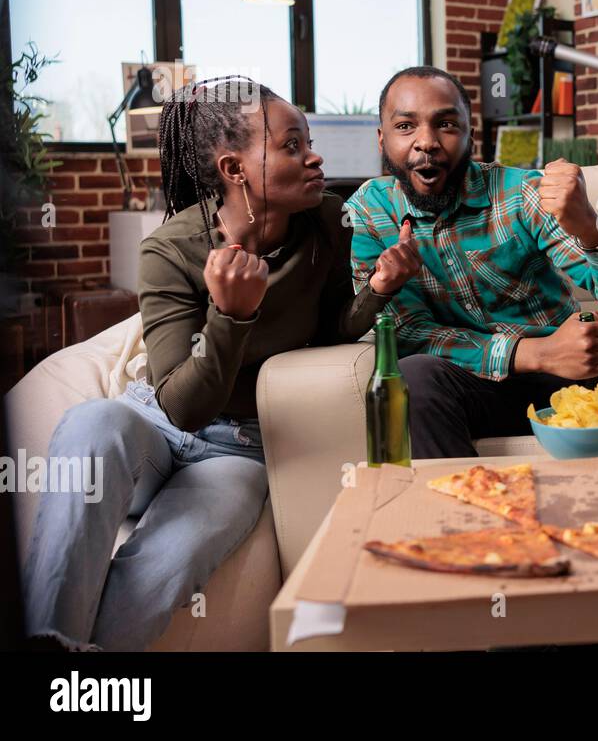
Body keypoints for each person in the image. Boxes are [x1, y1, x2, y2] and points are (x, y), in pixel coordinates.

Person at [22, 77, 421, 650]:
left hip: (242, 449)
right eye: (291, 146)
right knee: (93, 422)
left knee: (167, 560)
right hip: (156, 429)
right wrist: (230, 317)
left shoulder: (325, 223)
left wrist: (381, 287)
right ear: (234, 169)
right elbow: (180, 406)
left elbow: (334, 327)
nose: (314, 157)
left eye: (306, 141)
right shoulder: (171, 250)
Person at [345, 66, 598, 458]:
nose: (426, 142)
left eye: (445, 124)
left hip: (581, 379)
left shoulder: (521, 192)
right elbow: (410, 335)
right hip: (476, 388)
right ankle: (468, 517)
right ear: (382, 138)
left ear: (469, 134)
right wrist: (538, 354)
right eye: (406, 126)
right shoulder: (369, 211)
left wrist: (590, 229)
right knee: (413, 376)